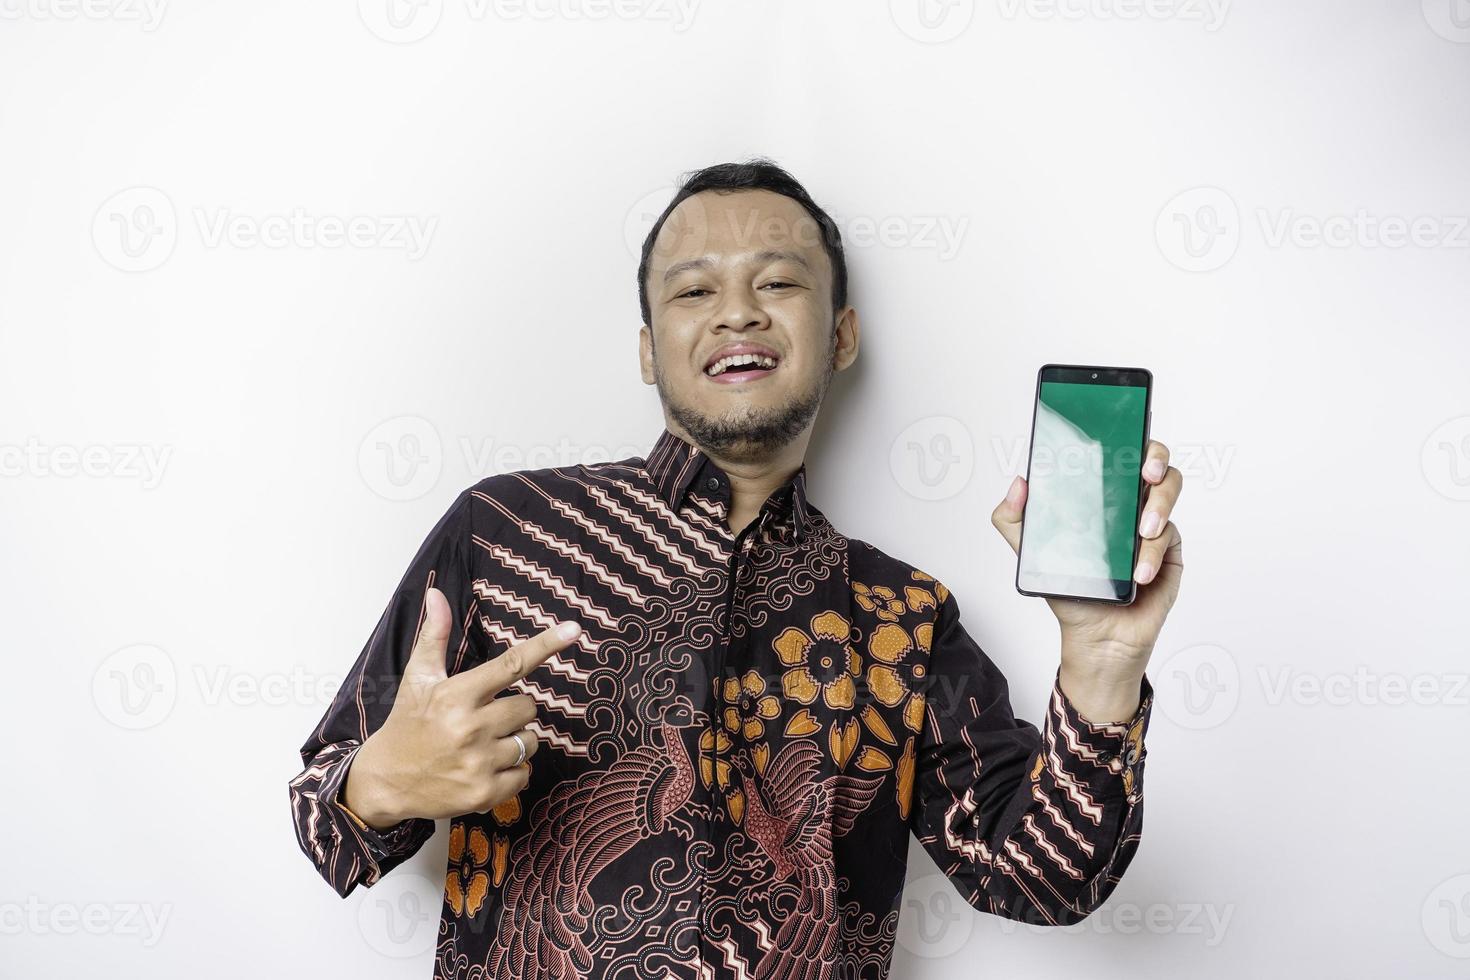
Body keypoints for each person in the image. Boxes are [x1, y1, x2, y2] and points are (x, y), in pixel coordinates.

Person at [288, 158, 1184, 980]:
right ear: (649, 349)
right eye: (693, 290)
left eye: (778, 281)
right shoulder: (508, 532)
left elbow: (1039, 880)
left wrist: (1103, 672)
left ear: (840, 336)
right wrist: (379, 783)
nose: (739, 310)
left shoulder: (906, 617)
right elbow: (324, 822)